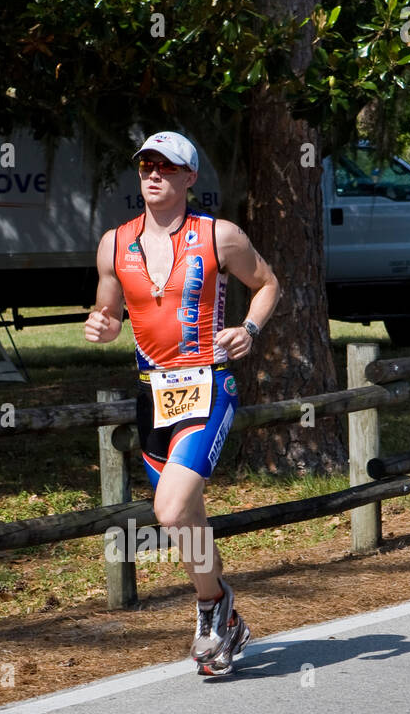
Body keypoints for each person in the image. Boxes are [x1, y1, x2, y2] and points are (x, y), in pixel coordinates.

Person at [85, 131, 280, 676]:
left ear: (189, 178)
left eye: (167, 167)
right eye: (146, 165)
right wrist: (103, 325)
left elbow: (267, 284)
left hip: (208, 384)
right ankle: (221, 612)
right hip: (152, 394)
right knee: (186, 519)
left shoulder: (220, 236)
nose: (153, 174)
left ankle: (210, 608)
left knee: (170, 510)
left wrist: (249, 328)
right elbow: (109, 312)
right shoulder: (113, 243)